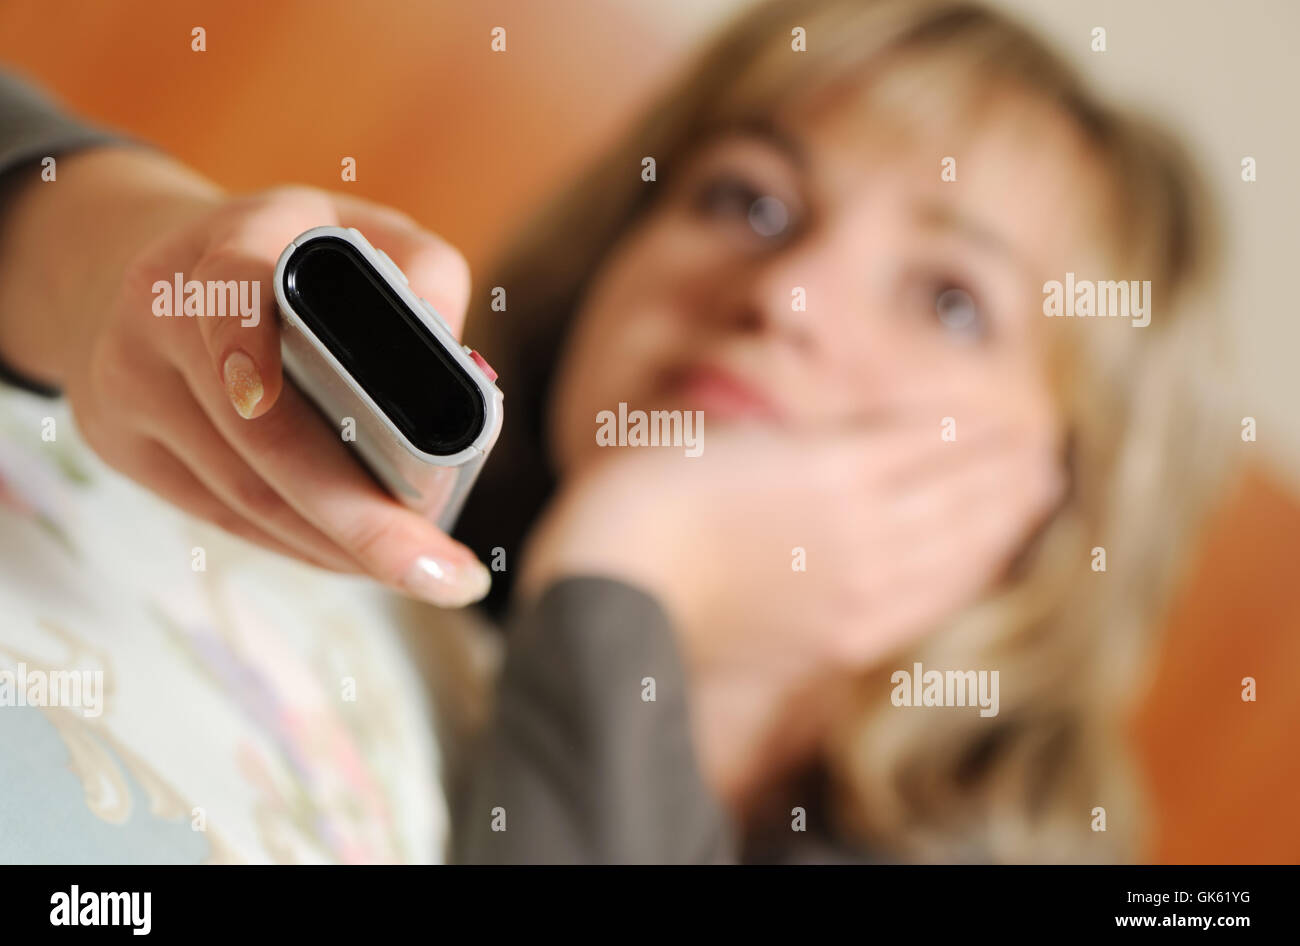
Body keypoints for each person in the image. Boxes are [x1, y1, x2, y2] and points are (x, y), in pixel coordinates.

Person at [0, 0, 1233, 865]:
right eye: (748, 199)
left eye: (949, 299)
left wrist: (632, 580)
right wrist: (91, 238)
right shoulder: (351, 585)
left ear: (1058, 491)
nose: (786, 294)